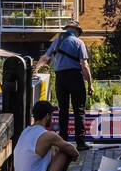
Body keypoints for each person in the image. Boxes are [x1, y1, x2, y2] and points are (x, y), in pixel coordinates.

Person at [34, 21, 93, 151]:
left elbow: (45, 57)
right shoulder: (79, 43)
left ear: (67, 29)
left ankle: (63, 141)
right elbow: (84, 65)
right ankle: (81, 142)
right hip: (75, 77)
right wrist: (90, 83)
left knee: (63, 111)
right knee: (79, 110)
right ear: (76, 31)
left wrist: (35, 70)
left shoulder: (57, 41)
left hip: (60, 78)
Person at [13, 100, 86, 171]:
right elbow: (73, 151)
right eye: (51, 115)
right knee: (65, 151)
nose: (52, 118)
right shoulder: (48, 135)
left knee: (54, 148)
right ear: (47, 116)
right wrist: (74, 156)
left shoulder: (25, 131)